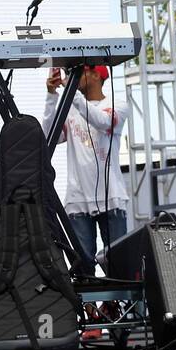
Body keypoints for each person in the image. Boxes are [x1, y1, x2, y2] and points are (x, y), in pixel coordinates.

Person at [43, 65, 128, 278]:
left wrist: (70, 92)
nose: (73, 77)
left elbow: (103, 121)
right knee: (83, 271)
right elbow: (47, 137)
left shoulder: (117, 104)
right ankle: (89, 311)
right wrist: (52, 96)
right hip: (77, 199)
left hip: (112, 198)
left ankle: (118, 310)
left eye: (78, 73)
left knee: (119, 266)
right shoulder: (71, 107)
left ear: (96, 75)